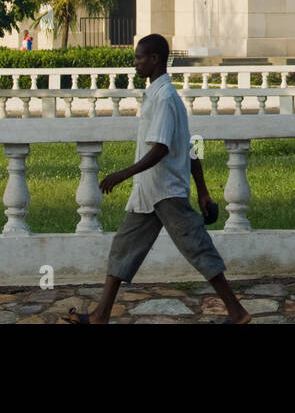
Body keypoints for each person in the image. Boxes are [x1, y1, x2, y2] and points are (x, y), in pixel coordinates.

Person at [64, 33, 250, 324]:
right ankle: (100, 315)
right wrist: (203, 191)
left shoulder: (165, 98)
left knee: (197, 249)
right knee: (122, 250)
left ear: (155, 59)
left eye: (139, 58)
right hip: (148, 194)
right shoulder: (160, 95)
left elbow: (162, 148)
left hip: (166, 193)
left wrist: (123, 174)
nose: (135, 63)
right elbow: (188, 147)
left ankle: (237, 312)